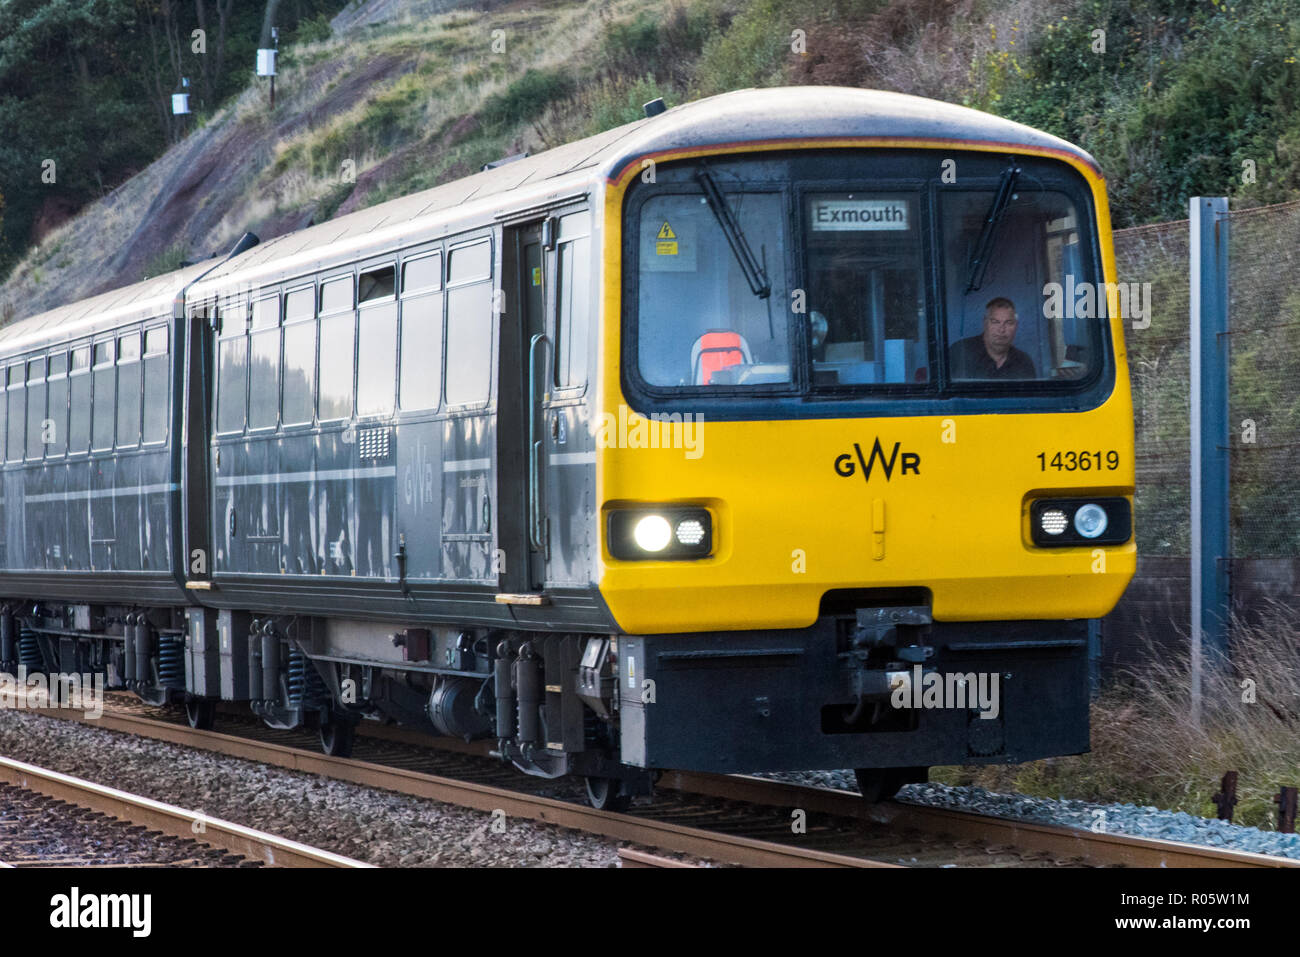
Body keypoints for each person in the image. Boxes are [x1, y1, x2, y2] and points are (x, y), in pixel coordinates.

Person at [948, 297, 1037, 379]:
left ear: (1016, 326)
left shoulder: (1023, 362)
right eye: (995, 322)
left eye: (1009, 323)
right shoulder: (960, 353)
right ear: (985, 323)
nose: (1001, 329)